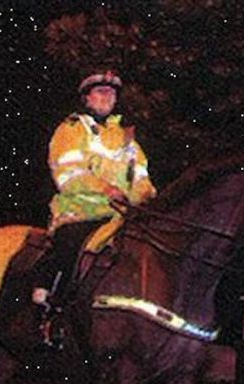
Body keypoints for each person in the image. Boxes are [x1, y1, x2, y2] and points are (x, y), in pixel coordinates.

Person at [31, 70, 156, 340]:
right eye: (100, 92)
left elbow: (142, 177)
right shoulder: (73, 128)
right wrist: (106, 189)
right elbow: (69, 173)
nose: (106, 97)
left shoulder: (126, 138)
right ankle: (51, 310)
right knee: (70, 245)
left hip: (121, 216)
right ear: (86, 98)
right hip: (80, 213)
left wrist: (147, 198)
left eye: (110, 93)